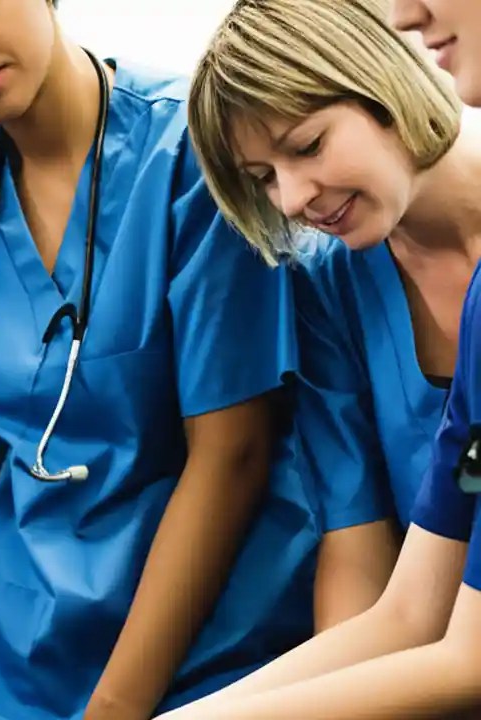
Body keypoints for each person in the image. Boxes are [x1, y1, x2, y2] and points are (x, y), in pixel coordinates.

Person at [0, 0, 312, 718]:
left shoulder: (194, 150)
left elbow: (232, 455)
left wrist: (113, 709)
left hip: (211, 664)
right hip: (10, 674)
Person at [158, 1, 481, 717]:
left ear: (381, 79)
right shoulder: (332, 286)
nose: (295, 196)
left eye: (307, 146)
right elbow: (385, 589)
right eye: (263, 177)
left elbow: (466, 655)